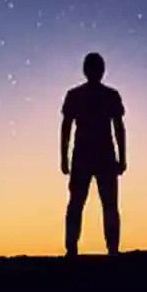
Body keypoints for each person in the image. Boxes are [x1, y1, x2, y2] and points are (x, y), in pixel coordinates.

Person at [60, 52, 126, 256]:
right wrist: (122, 157)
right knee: (86, 204)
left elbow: (118, 127)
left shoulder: (80, 95)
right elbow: (66, 126)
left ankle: (103, 249)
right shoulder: (104, 95)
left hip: (92, 156)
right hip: (93, 156)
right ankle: (103, 250)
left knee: (96, 204)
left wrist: (64, 157)